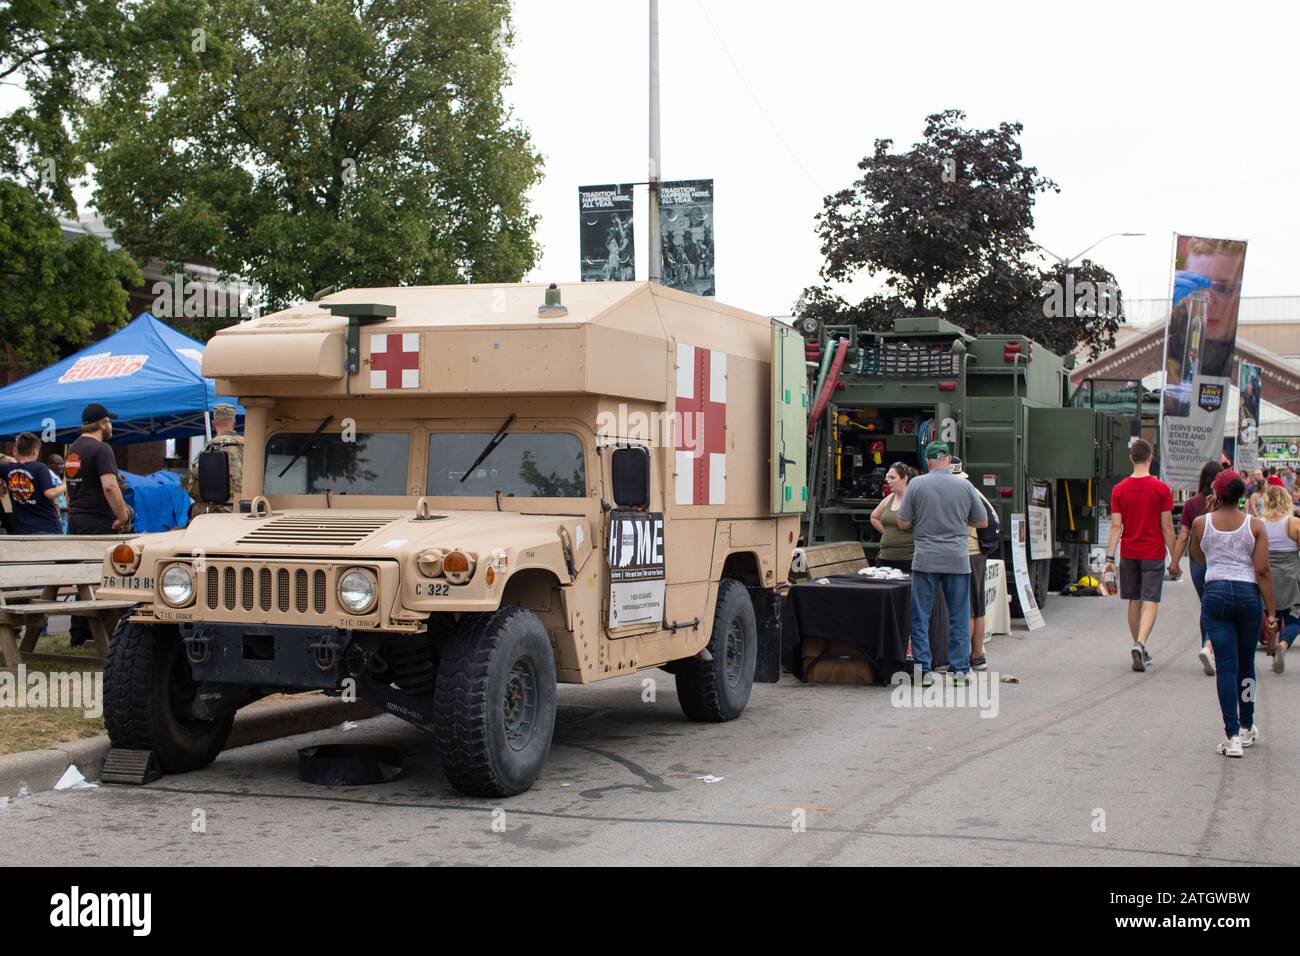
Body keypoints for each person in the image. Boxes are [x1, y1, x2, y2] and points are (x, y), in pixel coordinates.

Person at [1189, 470, 1277, 757]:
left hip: (1216, 595)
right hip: (1248, 596)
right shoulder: (1255, 525)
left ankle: (1231, 736)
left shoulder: (1202, 523)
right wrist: (1272, 613)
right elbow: (1263, 571)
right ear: (1241, 495)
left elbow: (1198, 556)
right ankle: (1247, 725)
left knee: (1225, 666)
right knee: (1246, 664)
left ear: (1216, 494)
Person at [896, 441, 987, 686]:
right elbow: (982, 522)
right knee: (958, 615)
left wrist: (922, 522)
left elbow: (903, 523)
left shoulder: (916, 484)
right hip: (957, 560)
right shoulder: (965, 486)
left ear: (927, 461)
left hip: (925, 559)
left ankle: (923, 670)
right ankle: (960, 671)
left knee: (920, 615)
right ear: (947, 460)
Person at [1104, 438, 1174, 672]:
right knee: (1151, 600)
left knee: (1134, 600)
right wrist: (1174, 558)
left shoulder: (1119, 489)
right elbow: (1167, 527)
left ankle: (1140, 647)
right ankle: (1141, 643)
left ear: (1131, 459)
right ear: (1150, 458)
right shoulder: (1162, 489)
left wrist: (1110, 559)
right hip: (1153, 552)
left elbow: (1116, 526)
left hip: (1129, 552)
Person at [66, 403, 131, 646]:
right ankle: (95, 634)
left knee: (82, 578)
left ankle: (79, 634)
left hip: (76, 521)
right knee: (101, 578)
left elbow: (70, 491)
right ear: (103, 424)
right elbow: (109, 486)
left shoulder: (73, 449)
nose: (111, 426)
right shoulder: (102, 449)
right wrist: (123, 517)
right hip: (98, 522)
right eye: (110, 422)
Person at [1169, 460, 1222, 675]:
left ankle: (1206, 645)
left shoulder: (1191, 504)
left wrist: (1174, 563)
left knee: (1205, 604)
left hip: (1197, 562)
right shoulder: (1223, 502)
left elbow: (1183, 536)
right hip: (1218, 559)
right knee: (1215, 606)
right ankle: (1210, 647)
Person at [951, 457, 995, 672]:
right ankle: (977, 655)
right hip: (977, 552)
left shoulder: (959, 491)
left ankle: (963, 656)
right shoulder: (974, 490)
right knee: (978, 608)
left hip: (965, 552)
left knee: (965, 609)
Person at [1259, 484, 1300, 674]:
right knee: (1294, 619)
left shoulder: (1258, 523)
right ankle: (1283, 645)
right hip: (1291, 577)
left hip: (1267, 578)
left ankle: (1273, 647)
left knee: (1271, 616)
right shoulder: (1293, 523)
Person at [0, 433, 65, 535]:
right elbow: (50, 493)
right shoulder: (40, 467)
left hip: (22, 530)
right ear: (35, 451)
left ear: (16, 450)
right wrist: (65, 484)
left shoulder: (7, 469)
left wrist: (5, 457)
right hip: (46, 527)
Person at [186, 403, 245, 515]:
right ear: (234, 422)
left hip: (218, 514)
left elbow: (193, 487)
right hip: (247, 510)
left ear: (213, 423)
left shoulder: (207, 449)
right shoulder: (250, 445)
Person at [870, 463, 917, 571]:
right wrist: (887, 532)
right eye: (888, 478)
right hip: (885, 558)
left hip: (908, 560)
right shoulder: (890, 498)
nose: (888, 481)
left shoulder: (915, 500)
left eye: (892, 478)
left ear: (904, 478)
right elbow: (874, 517)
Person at [46, 453, 69, 533]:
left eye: (62, 464)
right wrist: (67, 509)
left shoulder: (57, 477)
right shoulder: (50, 478)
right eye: (58, 464)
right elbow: (52, 501)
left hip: (62, 520)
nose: (62, 466)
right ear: (49, 465)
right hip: (56, 520)